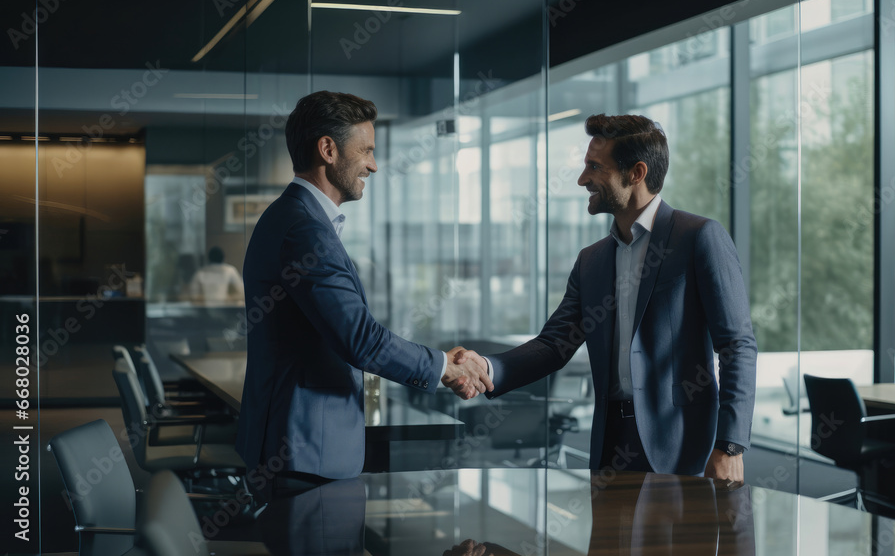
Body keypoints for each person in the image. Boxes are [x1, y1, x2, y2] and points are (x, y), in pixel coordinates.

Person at [457, 114, 756, 482]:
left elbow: (737, 345)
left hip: (683, 447)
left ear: (636, 173)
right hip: (609, 446)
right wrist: (486, 369)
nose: (583, 179)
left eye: (594, 167)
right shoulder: (592, 260)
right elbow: (554, 345)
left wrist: (730, 446)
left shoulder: (699, 238)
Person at [236, 91, 492, 495]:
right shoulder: (305, 229)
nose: (373, 165)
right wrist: (444, 366)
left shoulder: (293, 217)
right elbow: (359, 338)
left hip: (295, 444)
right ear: (328, 150)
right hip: (305, 451)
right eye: (366, 150)